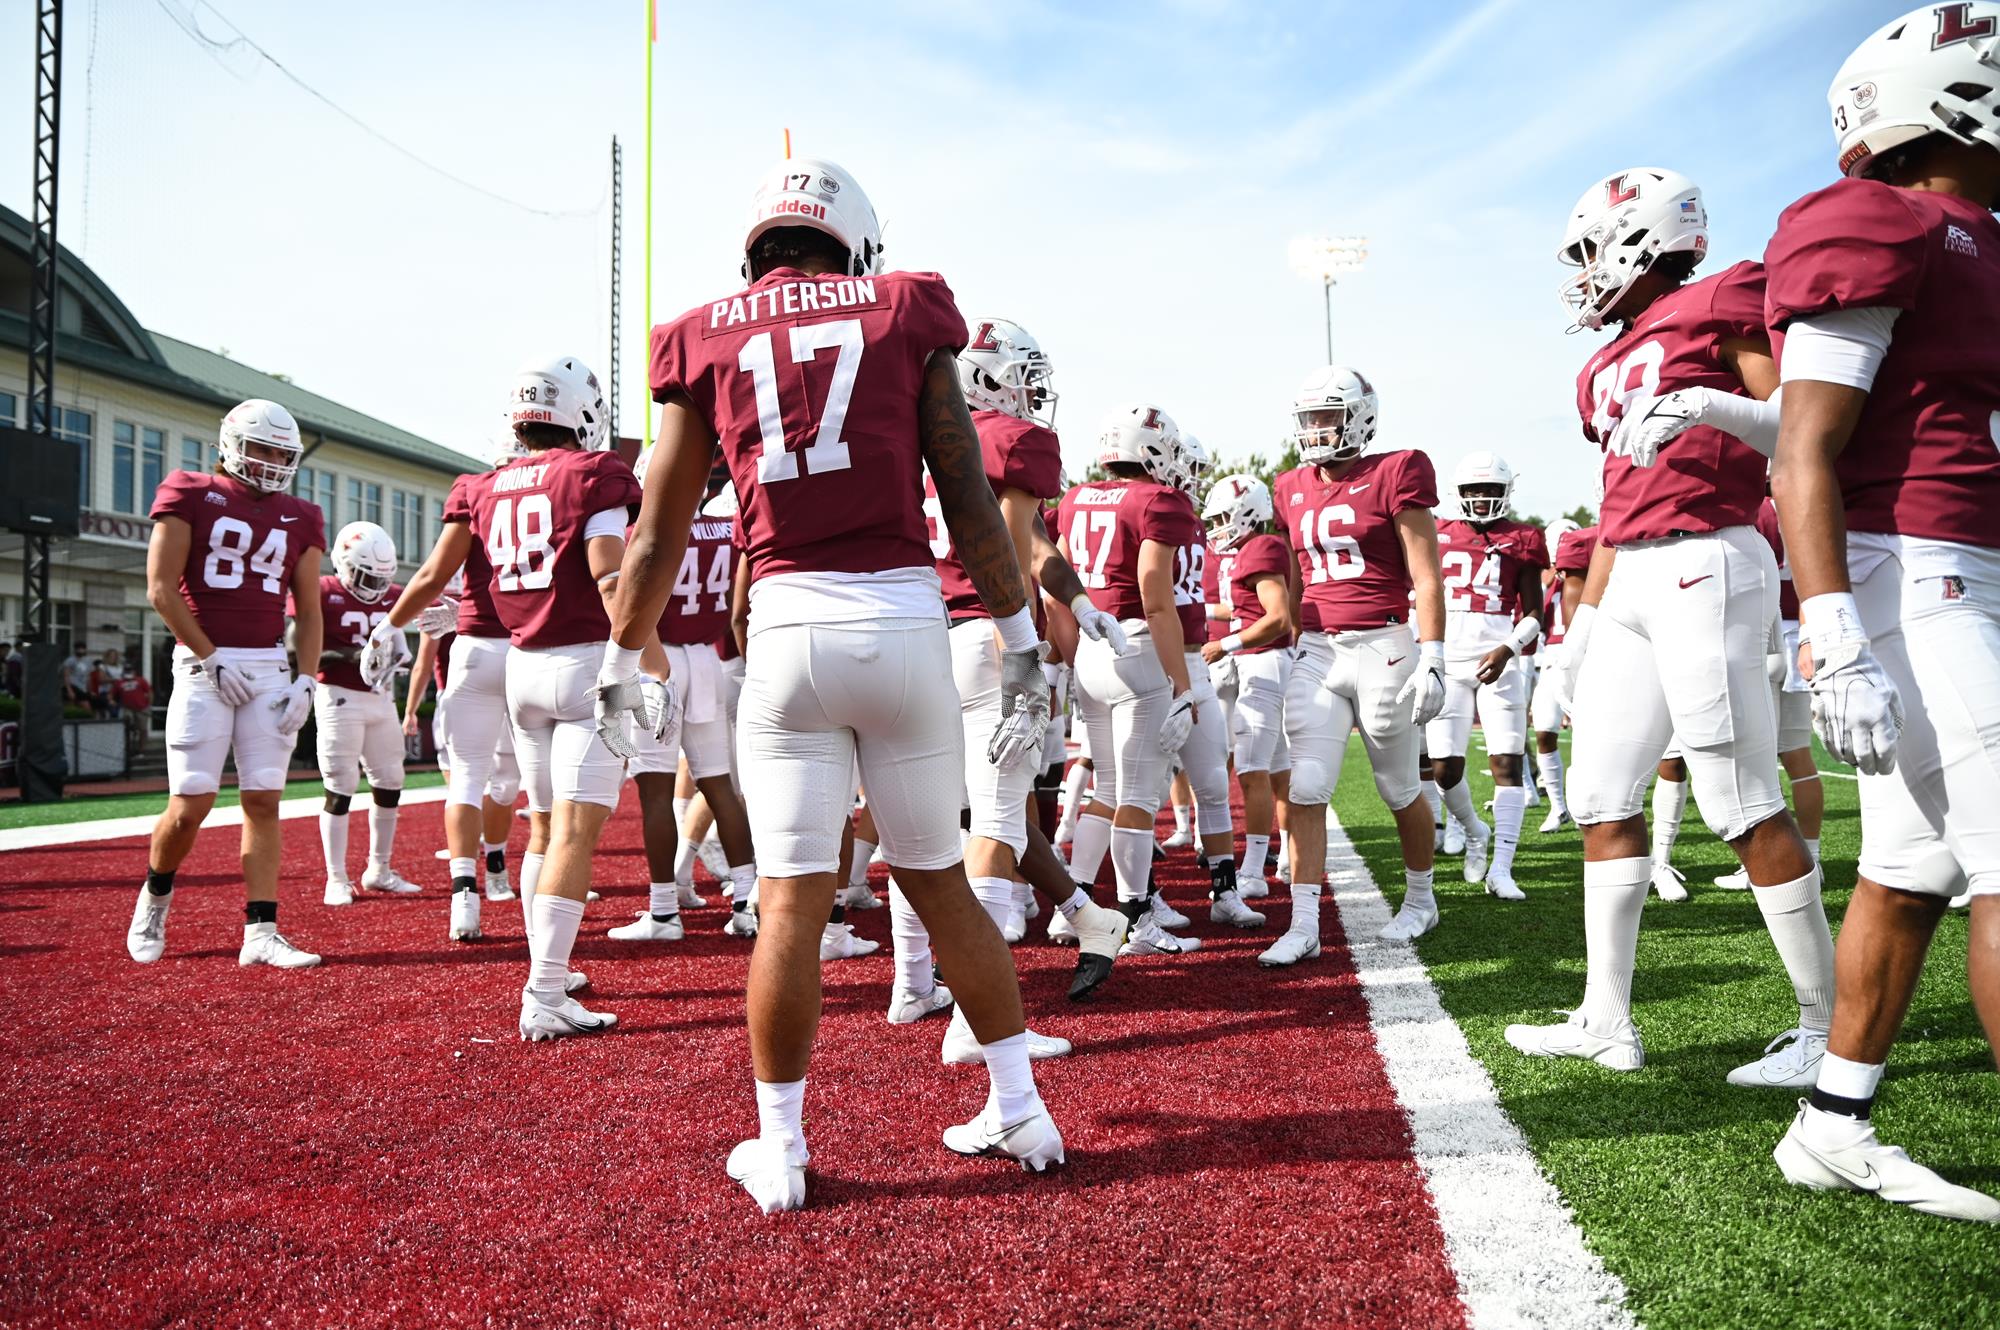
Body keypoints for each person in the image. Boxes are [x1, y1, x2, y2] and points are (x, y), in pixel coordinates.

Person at [604, 158, 1065, 1213]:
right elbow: (965, 494)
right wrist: (1019, 643)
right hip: (904, 620)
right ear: (851, 239)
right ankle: (1020, 1107)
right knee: (939, 879)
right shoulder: (901, 305)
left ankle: (782, 1148)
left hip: (788, 630)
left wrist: (620, 657)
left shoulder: (701, 333)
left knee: (790, 901)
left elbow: (658, 529)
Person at [1505, 166, 1835, 1087]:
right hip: (1632, 580)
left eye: (1590, 253)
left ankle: (1826, 1028)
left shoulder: (1724, 295)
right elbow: (1617, 514)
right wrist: (1579, 631)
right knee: (1600, 797)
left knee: (1740, 801)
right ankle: (1606, 1020)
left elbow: (1805, 429)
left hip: (1710, 558)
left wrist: (1709, 404)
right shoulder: (1598, 367)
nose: (1582, 274)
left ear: (1642, 238)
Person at [1764, 3, 2000, 1223]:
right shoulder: (1882, 219)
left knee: (1909, 871)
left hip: (1964, 563)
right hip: (1910, 567)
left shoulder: (1979, 237)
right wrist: (1832, 630)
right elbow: (1802, 445)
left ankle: (1831, 1122)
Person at [370, 356, 642, 1040]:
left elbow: (434, 573)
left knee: (545, 829)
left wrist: (390, 624)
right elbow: (610, 579)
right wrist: (648, 666)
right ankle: (544, 991)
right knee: (574, 833)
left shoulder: (482, 486)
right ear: (582, 411)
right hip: (585, 662)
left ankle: (549, 967)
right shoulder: (594, 472)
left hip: (522, 668)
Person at [900, 316, 1130, 1022]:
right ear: (990, 378)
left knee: (932, 820)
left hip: (916, 634)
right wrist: (1023, 644)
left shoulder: (913, 431)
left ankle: (916, 983)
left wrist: (1078, 600)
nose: (1031, 394)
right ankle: (976, 1015)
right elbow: (1006, 546)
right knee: (997, 816)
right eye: (1023, 378)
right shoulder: (1015, 440)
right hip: (986, 635)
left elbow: (1030, 542)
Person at [126, 399, 325, 969]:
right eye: (262, 449)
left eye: (282, 454)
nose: (272, 463)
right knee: (191, 802)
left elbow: (309, 611)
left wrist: (306, 679)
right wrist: (209, 656)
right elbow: (161, 588)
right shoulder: (189, 491)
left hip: (268, 667)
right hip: (202, 664)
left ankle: (261, 932)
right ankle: (155, 897)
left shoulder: (302, 515)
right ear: (231, 446)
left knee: (264, 799)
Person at [1261, 366, 1449, 964]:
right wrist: (1294, 633)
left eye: (1328, 417)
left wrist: (1433, 653)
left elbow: (1426, 574)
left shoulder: (1397, 470)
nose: (1316, 430)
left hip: (1383, 645)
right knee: (1307, 784)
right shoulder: (1289, 484)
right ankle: (1304, 924)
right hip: (1319, 649)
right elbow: (1297, 571)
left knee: (1397, 786)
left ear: (1360, 417)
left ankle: (1421, 899)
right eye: (1309, 419)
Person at [1056, 403, 1206, 956]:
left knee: (1107, 791)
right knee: (1138, 798)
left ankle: (1072, 910)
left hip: (1090, 652)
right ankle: (1136, 920)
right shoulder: (1158, 500)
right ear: (1151, 450)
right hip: (1137, 650)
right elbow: (1155, 598)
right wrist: (1183, 687)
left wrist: (1067, 658)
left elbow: (1057, 585)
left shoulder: (1075, 498)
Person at [608, 456, 761, 946]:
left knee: (655, 792)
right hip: (707, 659)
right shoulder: (724, 530)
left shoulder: (640, 534)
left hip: (658, 661)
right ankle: (745, 902)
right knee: (719, 787)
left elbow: (625, 601)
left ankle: (663, 910)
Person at [1428, 452, 1548, 901]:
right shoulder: (1437, 533)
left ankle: (1502, 868)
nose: (1482, 497)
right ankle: (1475, 830)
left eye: (1491, 490)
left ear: (1506, 492)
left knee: (1507, 764)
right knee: (1444, 769)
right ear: (1459, 493)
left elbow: (1535, 613)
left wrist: (1508, 648)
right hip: (1449, 662)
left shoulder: (1524, 537)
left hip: (1501, 660)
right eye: (1474, 490)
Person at [308, 521, 420, 905]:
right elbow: (297, 648)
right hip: (339, 697)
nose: (375, 588)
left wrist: (402, 653)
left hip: (380, 697)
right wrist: (355, 655)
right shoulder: (324, 591)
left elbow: (420, 616)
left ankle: (379, 870)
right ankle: (336, 878)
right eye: (367, 577)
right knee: (340, 784)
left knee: (390, 780)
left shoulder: (393, 595)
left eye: (382, 579)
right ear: (342, 563)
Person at [1200, 472, 1294, 909]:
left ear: (1248, 514)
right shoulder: (1244, 553)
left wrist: (1227, 644)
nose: (1218, 527)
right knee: (1277, 770)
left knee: (1252, 770)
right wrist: (1194, 609)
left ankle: (1254, 871)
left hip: (1263, 662)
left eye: (1224, 518)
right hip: (1255, 662)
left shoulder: (1262, 546)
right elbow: (1241, 607)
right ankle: (1288, 854)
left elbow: (1278, 617)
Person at [1529, 516, 1580, 833]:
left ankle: (1586, 803)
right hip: (1550, 658)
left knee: (1589, 734)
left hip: (1584, 656)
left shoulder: (1590, 574)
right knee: (1544, 732)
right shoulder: (1544, 579)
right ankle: (1558, 807)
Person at [114, 663, 153, 760]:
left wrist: (149, 705)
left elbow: (149, 692)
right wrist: (112, 701)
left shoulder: (140, 680)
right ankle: (128, 749)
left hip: (142, 708)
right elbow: (113, 696)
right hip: (128, 709)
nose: (128, 672)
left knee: (143, 729)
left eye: (130, 670)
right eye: (127, 670)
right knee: (128, 727)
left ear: (134, 671)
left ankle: (141, 751)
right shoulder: (119, 682)